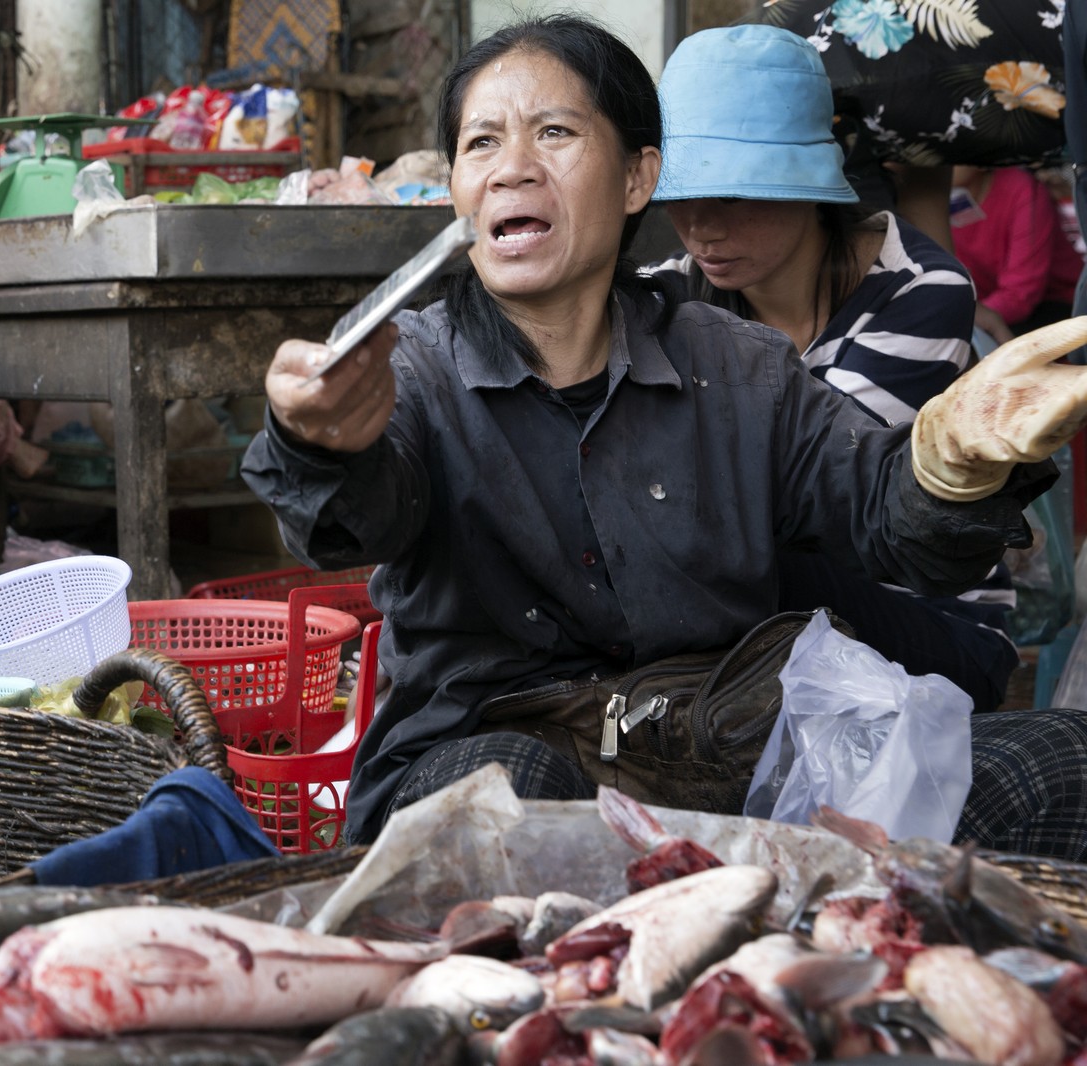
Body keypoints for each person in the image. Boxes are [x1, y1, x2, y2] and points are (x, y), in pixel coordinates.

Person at [240, 13, 1087, 860]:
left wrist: (958, 460)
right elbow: (351, 521)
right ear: (459, 191)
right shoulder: (415, 371)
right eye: (482, 143)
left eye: (556, 133)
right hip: (499, 754)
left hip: (728, 758)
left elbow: (888, 524)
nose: (512, 169)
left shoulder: (738, 364)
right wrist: (320, 445)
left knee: (1063, 760)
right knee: (510, 804)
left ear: (638, 176)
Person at [644, 25, 1017, 715]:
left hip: (933, 633)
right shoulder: (668, 295)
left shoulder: (922, 292)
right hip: (779, 629)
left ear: (805, 185)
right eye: (681, 196)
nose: (699, 228)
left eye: (731, 196)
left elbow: (802, 501)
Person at [949, 165, 1084, 346]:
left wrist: (963, 319)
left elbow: (1021, 294)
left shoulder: (1021, 189)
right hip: (990, 308)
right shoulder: (933, 198)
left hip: (1060, 302)